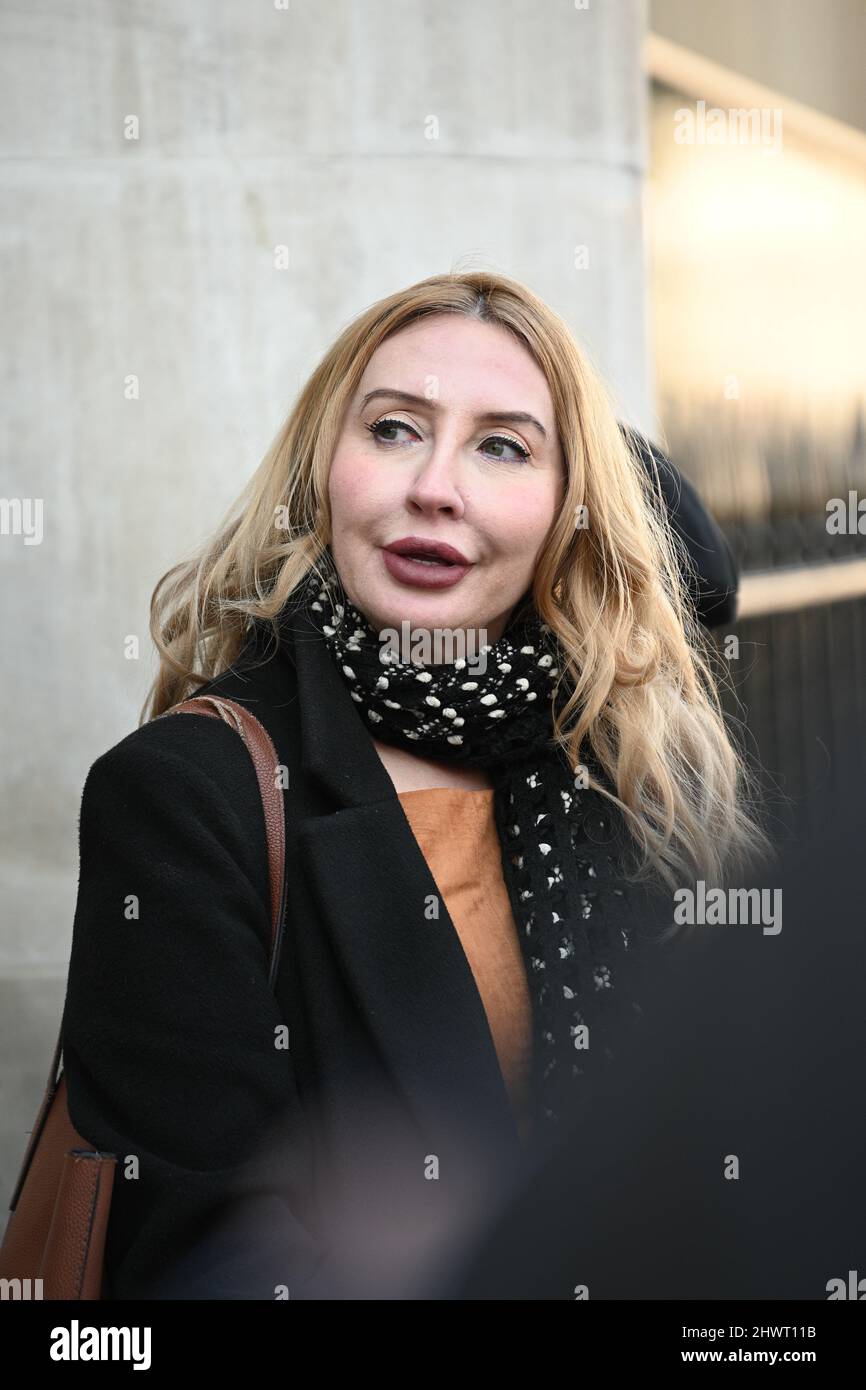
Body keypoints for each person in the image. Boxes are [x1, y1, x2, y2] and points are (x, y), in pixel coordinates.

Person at [59, 270, 768, 1300]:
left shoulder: (597, 755)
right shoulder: (184, 793)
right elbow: (203, 1264)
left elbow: (703, 573)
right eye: (393, 430)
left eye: (501, 447)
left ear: (573, 505)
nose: (436, 486)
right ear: (322, 472)